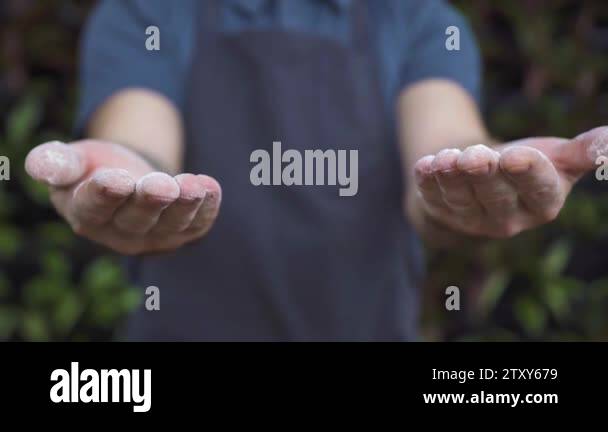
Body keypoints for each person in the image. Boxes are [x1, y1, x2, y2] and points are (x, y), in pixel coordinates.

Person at [24, 0, 607, 341]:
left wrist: (480, 177)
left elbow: (445, 148)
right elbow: (140, 144)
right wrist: (128, 174)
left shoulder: (420, 22)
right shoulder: (142, 14)